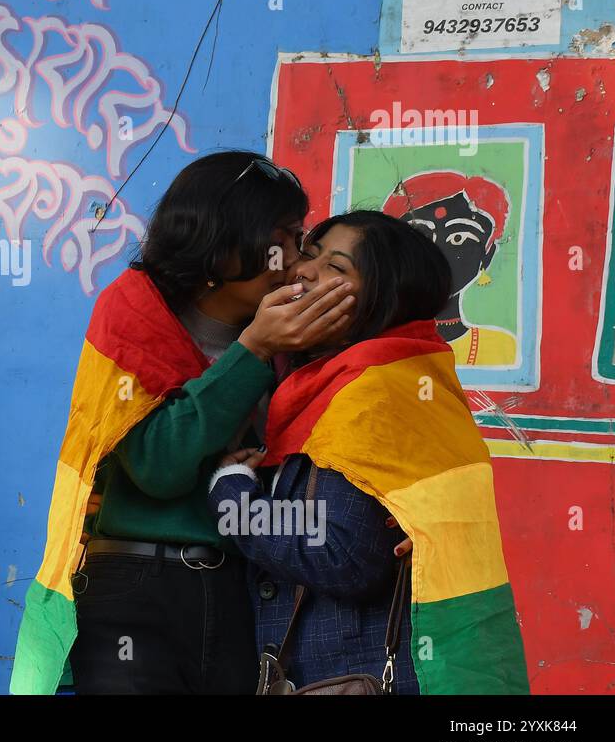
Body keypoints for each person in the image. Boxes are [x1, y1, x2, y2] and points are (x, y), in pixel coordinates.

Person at [10, 151, 357, 694]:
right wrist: (254, 348)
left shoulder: (299, 339)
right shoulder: (134, 311)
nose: (294, 261)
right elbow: (159, 467)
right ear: (224, 247)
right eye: (286, 239)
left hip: (244, 590)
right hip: (138, 589)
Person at [209, 210, 529, 694]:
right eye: (310, 256)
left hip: (357, 673)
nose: (304, 272)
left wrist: (233, 494)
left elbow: (342, 553)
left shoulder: (370, 393)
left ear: (383, 298)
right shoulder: (390, 378)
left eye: (336, 268)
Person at [382, 171, 517, 367]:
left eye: (458, 238)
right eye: (421, 237)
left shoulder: (503, 349)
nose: (436, 252)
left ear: (486, 257)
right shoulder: (372, 343)